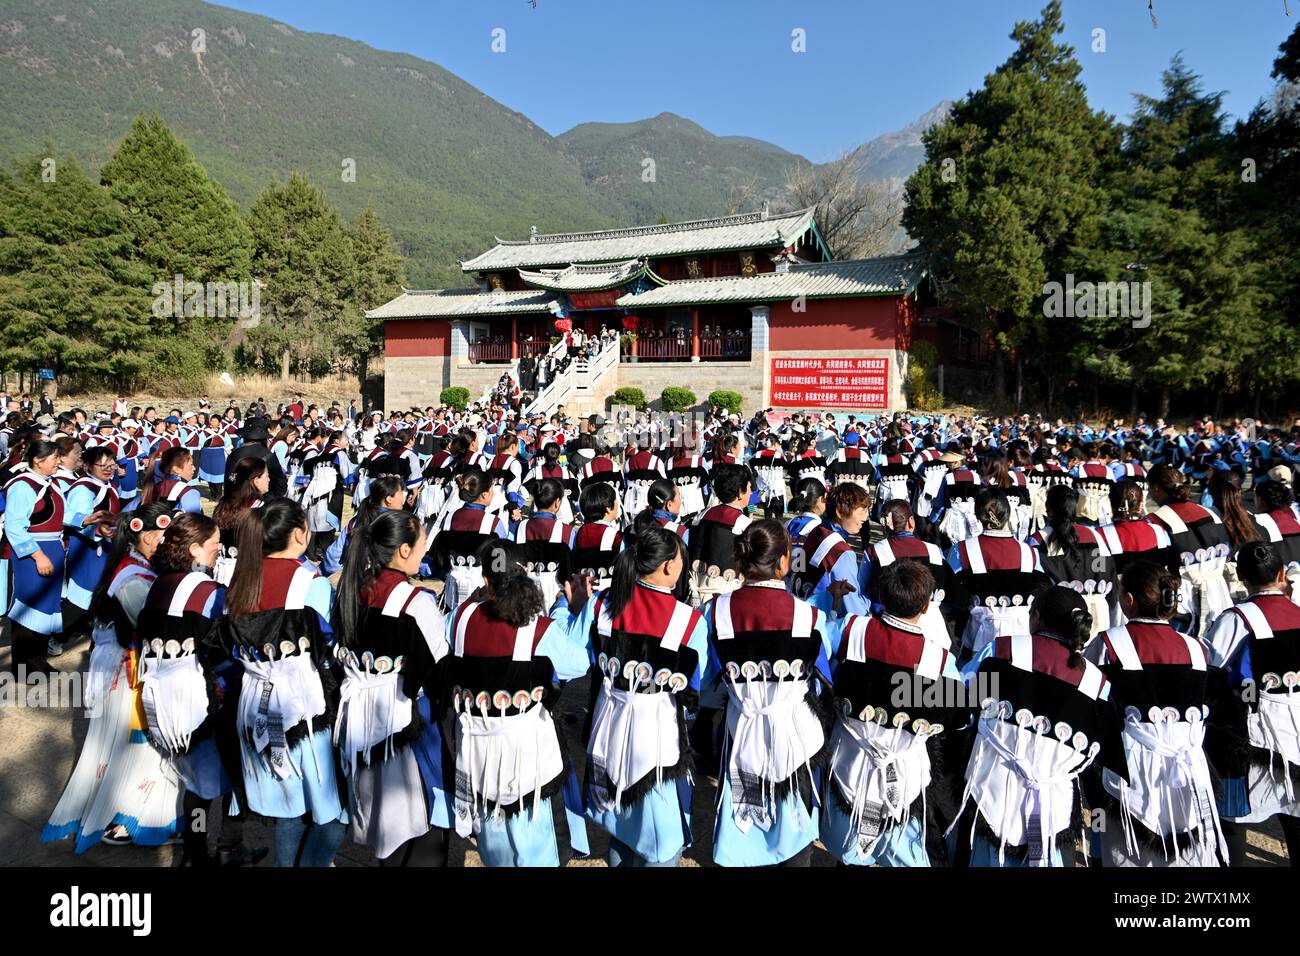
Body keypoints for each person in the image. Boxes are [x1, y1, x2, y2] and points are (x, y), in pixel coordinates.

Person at [550, 526, 707, 867]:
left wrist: (570, 608)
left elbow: (569, 656)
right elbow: (699, 686)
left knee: (620, 823)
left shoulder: (602, 603)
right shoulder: (690, 620)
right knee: (663, 844)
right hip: (658, 738)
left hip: (606, 723)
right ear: (668, 567)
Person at [210, 498, 348, 867]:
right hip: (305, 708)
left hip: (254, 702)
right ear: (300, 534)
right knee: (329, 813)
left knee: (290, 806)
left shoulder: (238, 581)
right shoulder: (310, 584)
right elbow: (332, 646)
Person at [43, 504, 184, 854]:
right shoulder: (133, 578)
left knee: (131, 748)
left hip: (126, 667)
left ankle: (127, 816)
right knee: (136, 749)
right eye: (171, 536)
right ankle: (124, 821)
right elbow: (154, 627)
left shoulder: (140, 567)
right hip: (127, 671)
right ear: (150, 536)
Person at [952, 584, 1126, 867]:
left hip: (989, 793)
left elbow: (961, 702)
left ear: (1036, 617)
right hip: (1054, 807)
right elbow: (1098, 758)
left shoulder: (1002, 650)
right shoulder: (1097, 684)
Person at [443, 539, 593, 865]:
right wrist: (570, 609)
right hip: (528, 757)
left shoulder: (459, 619)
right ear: (523, 573)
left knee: (495, 845)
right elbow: (578, 663)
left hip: (475, 751)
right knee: (536, 848)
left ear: (485, 580)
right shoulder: (537, 629)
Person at [1093, 559, 1246, 866]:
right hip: (1190, 769)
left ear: (1129, 600)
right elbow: (1220, 711)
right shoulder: (1197, 648)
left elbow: (1092, 705)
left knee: (1126, 854)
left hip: (1130, 769)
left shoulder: (1108, 644)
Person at [703, 519, 837, 866]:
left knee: (743, 830)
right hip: (796, 736)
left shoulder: (716, 611)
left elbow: (708, 681)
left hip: (740, 728)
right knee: (794, 835)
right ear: (782, 563)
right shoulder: (809, 617)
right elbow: (823, 678)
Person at [822, 560, 969, 866]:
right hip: (904, 773)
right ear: (927, 605)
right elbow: (956, 718)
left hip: (849, 760)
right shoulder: (939, 661)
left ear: (881, 594)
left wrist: (831, 605)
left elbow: (820, 651)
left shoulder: (851, 630)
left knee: (846, 845)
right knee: (905, 850)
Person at [330, 509, 453, 865]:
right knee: (419, 826)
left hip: (357, 721)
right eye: (421, 546)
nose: (424, 552)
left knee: (380, 816)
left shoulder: (352, 590)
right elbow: (439, 674)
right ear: (402, 550)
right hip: (404, 723)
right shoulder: (416, 603)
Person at [135, 512, 254, 867]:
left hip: (165, 697)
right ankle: (213, 850)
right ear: (194, 549)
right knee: (224, 779)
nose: (220, 547)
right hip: (203, 699)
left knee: (196, 786)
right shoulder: (206, 592)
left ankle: (198, 850)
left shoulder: (160, 583)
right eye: (214, 542)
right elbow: (227, 644)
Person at [1205, 542, 1300, 865]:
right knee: (1296, 808)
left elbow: (1210, 672)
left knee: (1233, 816)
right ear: (1282, 574)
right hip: (1296, 729)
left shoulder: (1236, 619)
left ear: (1242, 577)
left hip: (1245, 736)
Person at [1146, 463, 1233, 638]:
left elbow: (1155, 566)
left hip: (1181, 600)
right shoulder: (1211, 513)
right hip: (1219, 593)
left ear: (1155, 488)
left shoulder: (1155, 520)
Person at [3, 438, 67, 675]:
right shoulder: (23, 486)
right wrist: (38, 555)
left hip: (52, 549)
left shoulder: (50, 483)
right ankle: (25, 667)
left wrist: (88, 520)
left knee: (47, 607)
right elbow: (14, 526)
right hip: (32, 552)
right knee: (29, 607)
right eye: (54, 458)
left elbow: (62, 515)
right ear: (38, 461)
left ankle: (38, 662)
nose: (58, 462)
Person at [60, 445, 119, 639]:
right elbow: (74, 517)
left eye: (111, 463)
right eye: (102, 464)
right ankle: (57, 635)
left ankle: (91, 625)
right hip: (88, 548)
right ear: (88, 466)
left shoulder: (107, 485)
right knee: (83, 594)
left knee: (101, 589)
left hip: (106, 544)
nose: (109, 468)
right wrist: (96, 528)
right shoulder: (84, 487)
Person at [688, 463, 753, 605]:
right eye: (748, 488)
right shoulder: (744, 524)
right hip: (725, 594)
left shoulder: (701, 515)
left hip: (695, 589)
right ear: (740, 492)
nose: (751, 492)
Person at [139, 447, 202, 513]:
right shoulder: (189, 493)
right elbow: (194, 521)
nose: (194, 468)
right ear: (176, 469)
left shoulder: (147, 492)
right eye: (191, 465)